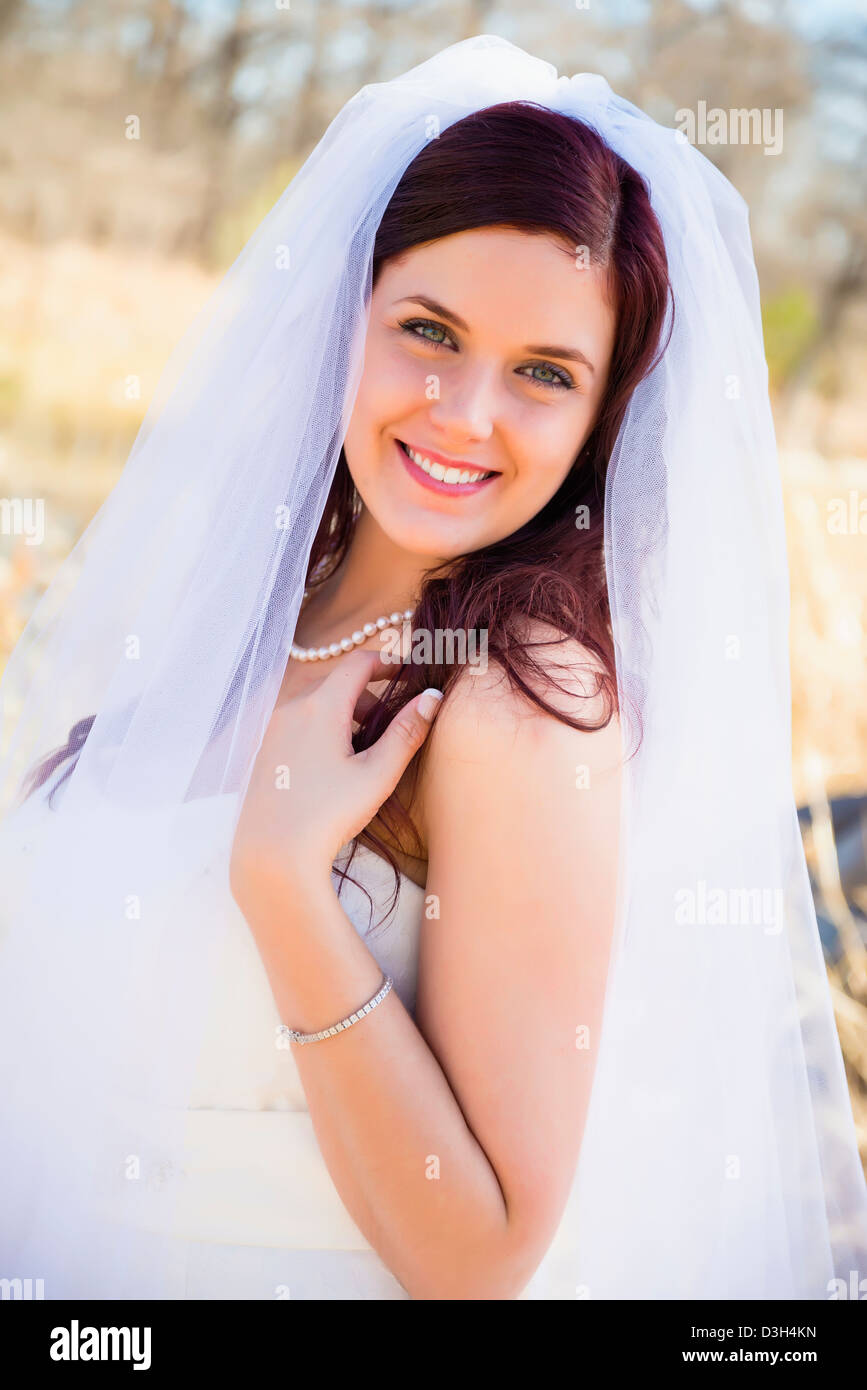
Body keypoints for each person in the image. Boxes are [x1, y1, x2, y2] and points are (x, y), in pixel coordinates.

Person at [0, 34, 864, 1301]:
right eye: (428, 330)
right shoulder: (244, 614)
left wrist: (288, 893)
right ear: (344, 314)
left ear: (597, 419)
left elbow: (485, 1254)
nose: (464, 414)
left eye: (543, 374)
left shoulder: (518, 706)